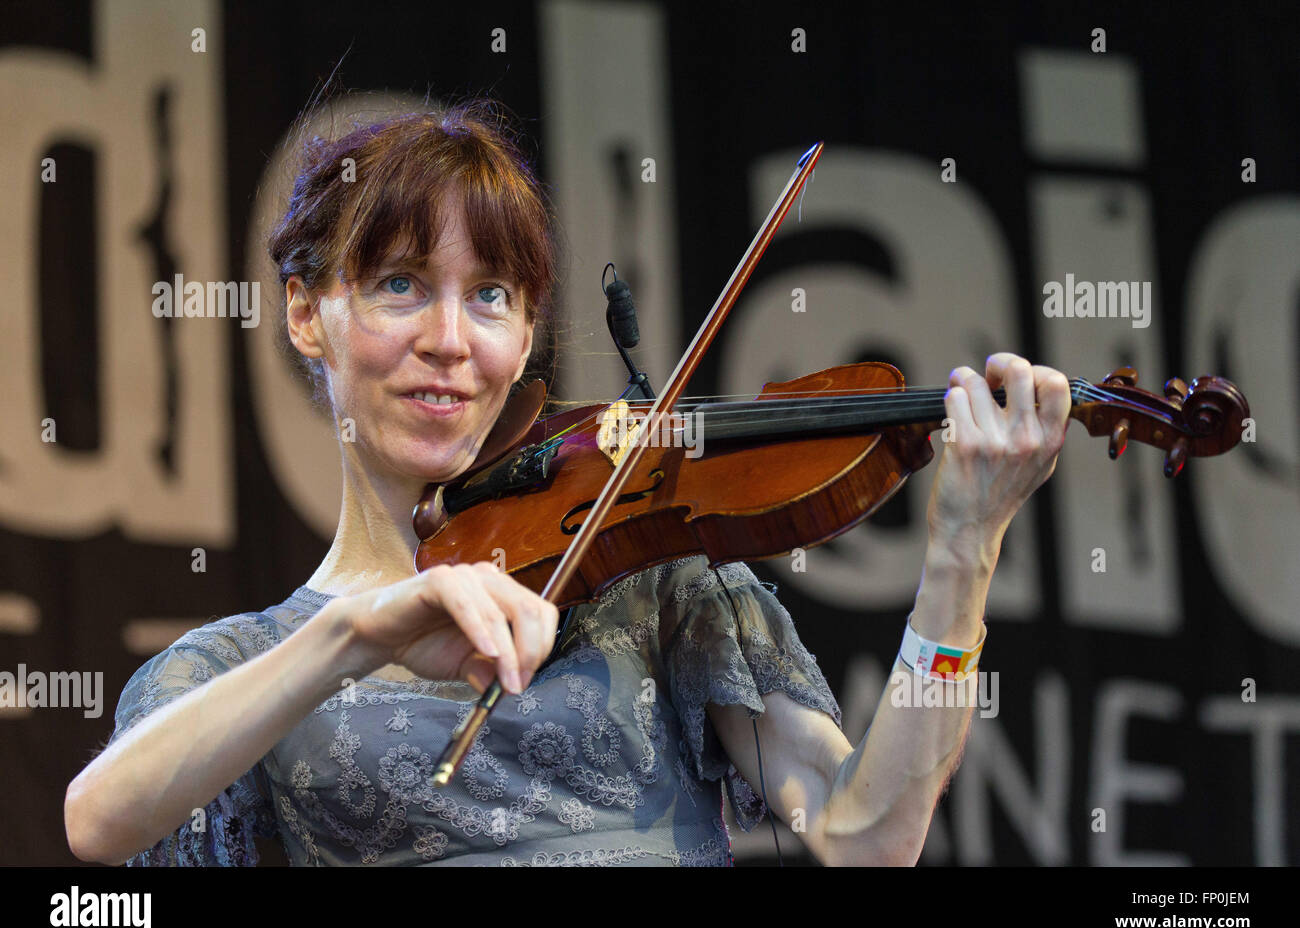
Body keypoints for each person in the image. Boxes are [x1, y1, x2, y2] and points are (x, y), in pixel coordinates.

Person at [63, 99, 1071, 867]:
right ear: (305, 312)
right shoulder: (248, 661)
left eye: (491, 295)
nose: (451, 342)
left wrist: (962, 548)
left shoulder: (657, 588)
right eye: (400, 283)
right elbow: (98, 821)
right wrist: (358, 629)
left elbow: (864, 839)